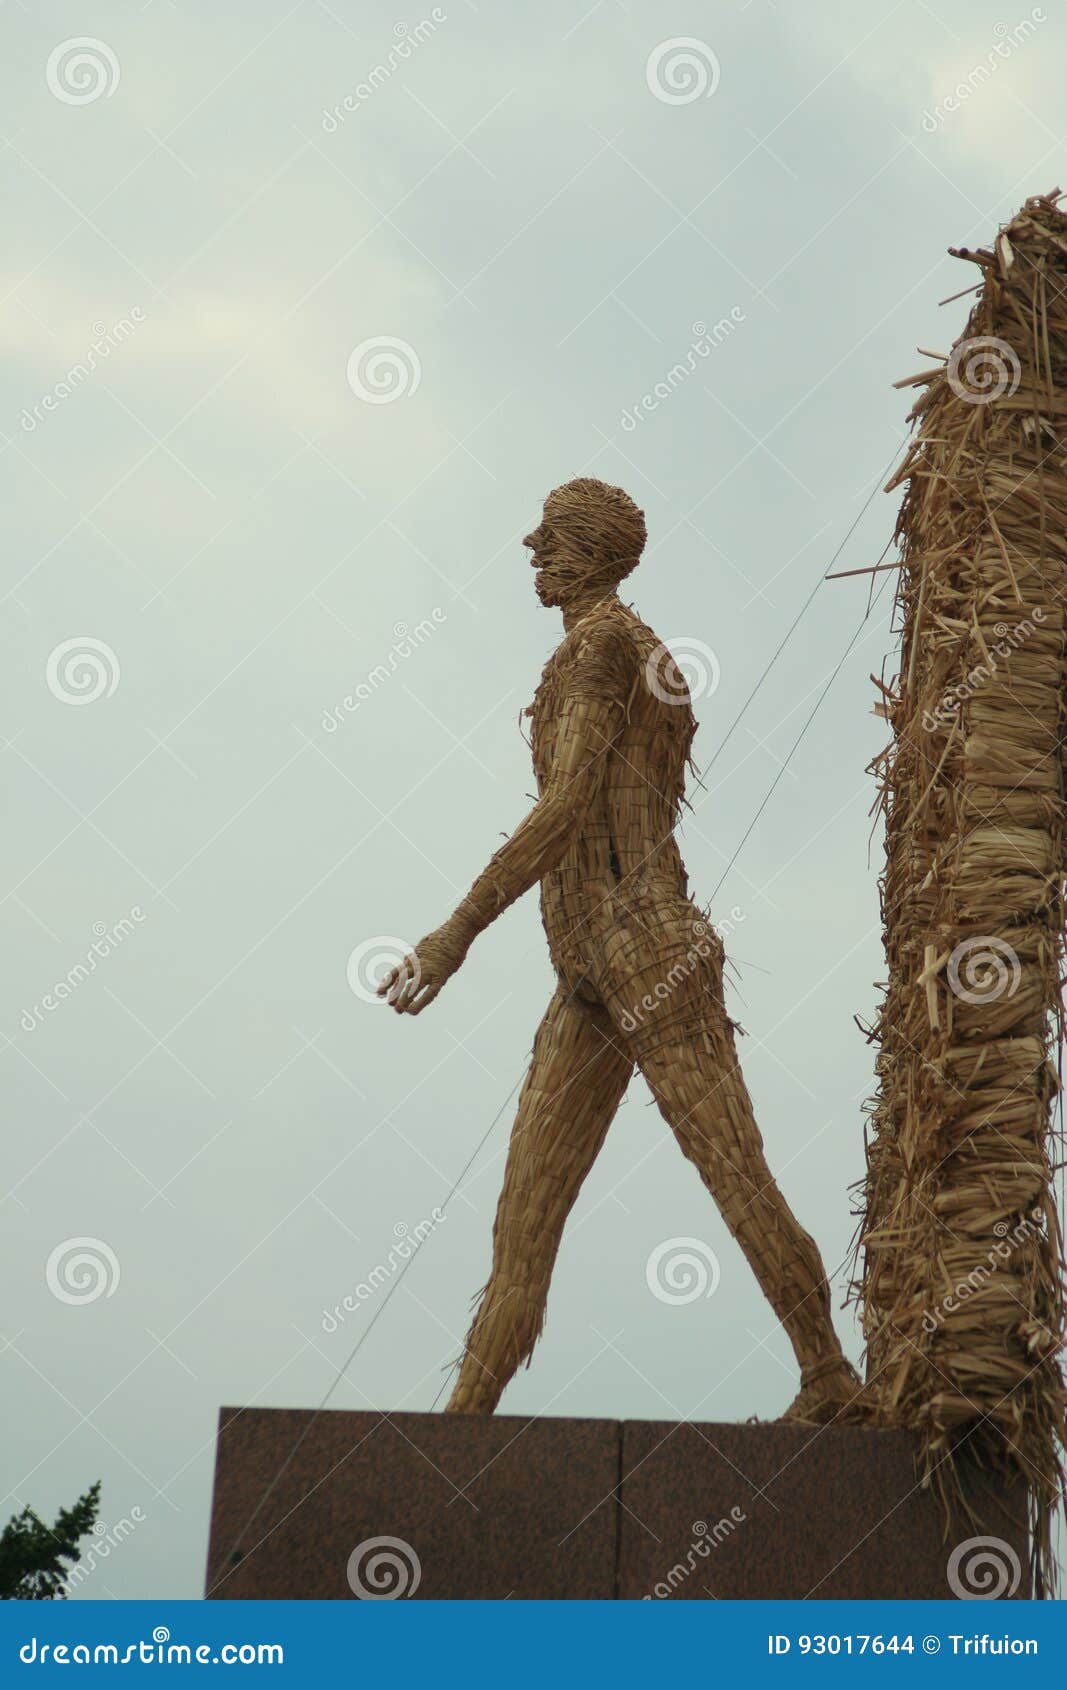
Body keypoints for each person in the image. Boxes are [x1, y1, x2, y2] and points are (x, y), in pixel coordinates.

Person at [379, 477, 858, 1422]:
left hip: (643, 945)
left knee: (731, 1169)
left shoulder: (602, 646)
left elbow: (565, 807)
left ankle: (829, 1374)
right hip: (589, 969)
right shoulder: (630, 651)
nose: (531, 548)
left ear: (593, 551)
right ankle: (462, 1425)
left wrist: (454, 933)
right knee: (526, 1215)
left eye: (551, 535)